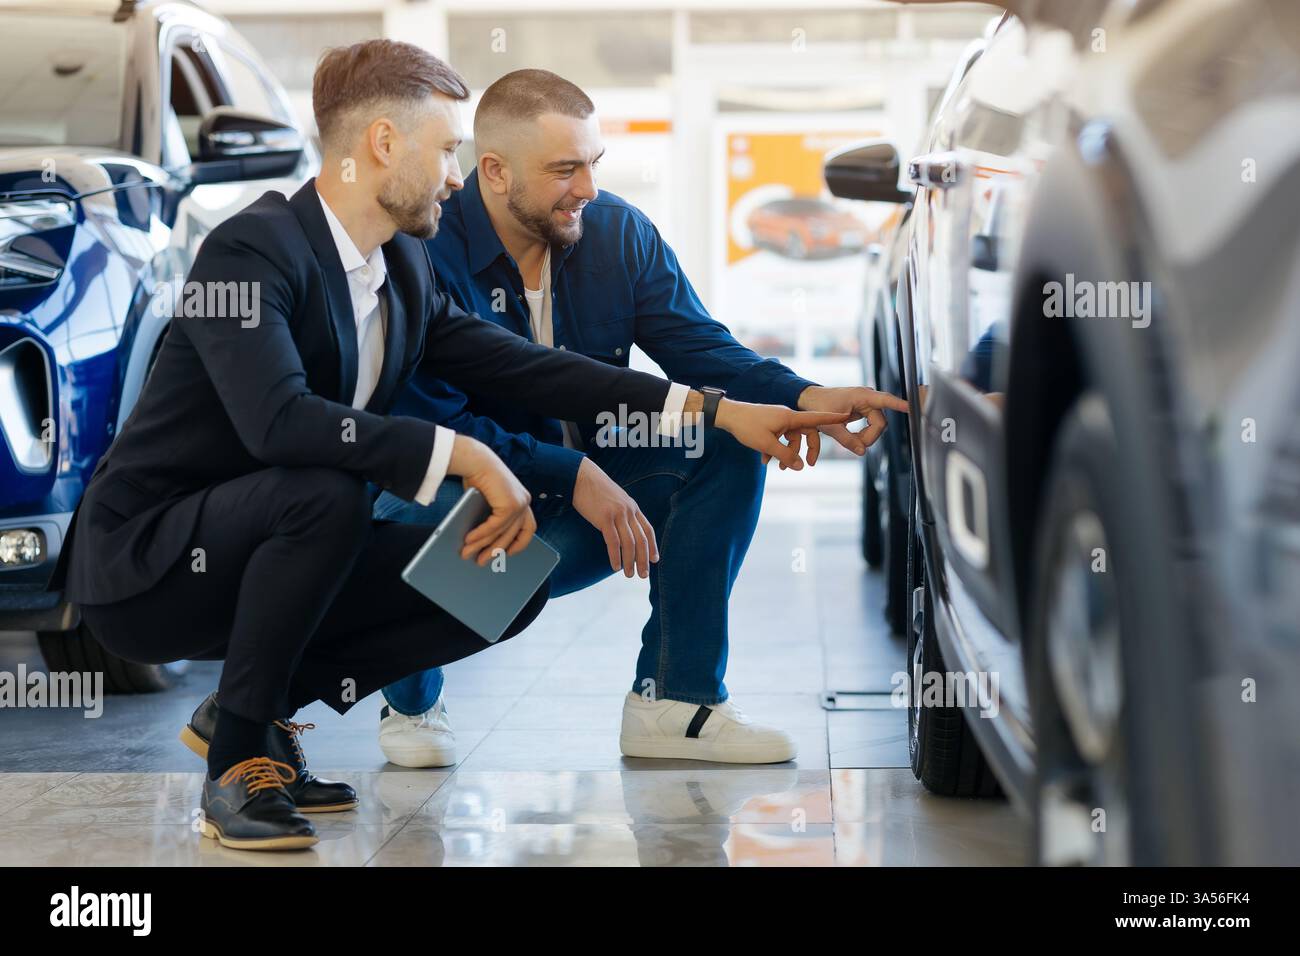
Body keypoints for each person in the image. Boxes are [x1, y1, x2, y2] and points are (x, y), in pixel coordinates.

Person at [55, 41, 847, 851]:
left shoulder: (400, 267)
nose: (456, 176)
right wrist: (466, 458)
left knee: (501, 583)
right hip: (148, 566)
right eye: (444, 150)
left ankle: (258, 712)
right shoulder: (252, 249)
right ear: (384, 147)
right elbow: (278, 423)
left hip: (285, 544)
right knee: (326, 492)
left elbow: (536, 371)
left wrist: (715, 410)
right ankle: (235, 766)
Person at [372, 69, 909, 769]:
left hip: (590, 510)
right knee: (427, 493)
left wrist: (806, 397)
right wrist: (574, 471)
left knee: (720, 444)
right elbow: (434, 429)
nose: (588, 190)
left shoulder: (616, 233)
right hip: (480, 518)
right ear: (495, 172)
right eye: (564, 170)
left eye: (594, 165)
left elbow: (698, 347)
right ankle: (410, 700)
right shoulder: (422, 255)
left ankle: (676, 704)